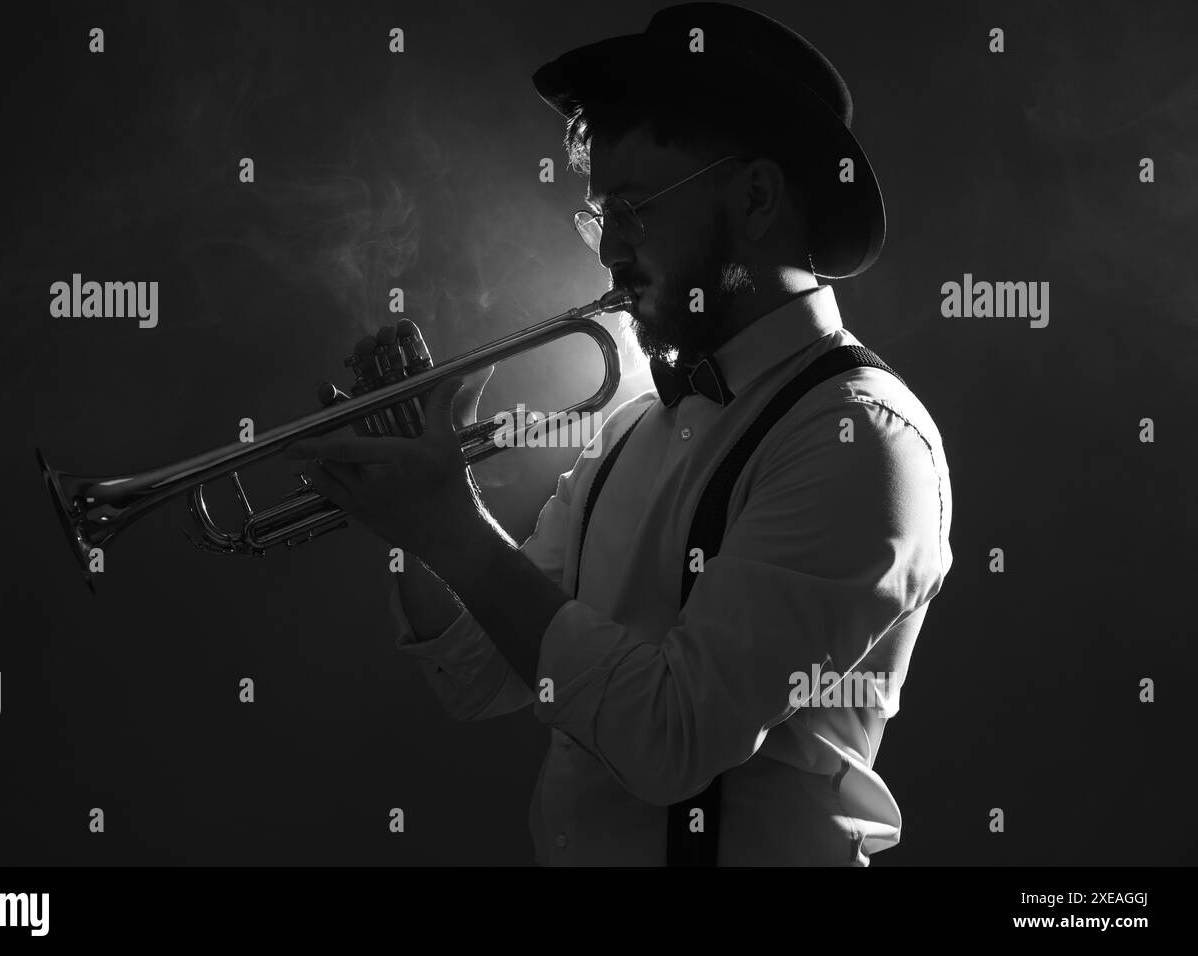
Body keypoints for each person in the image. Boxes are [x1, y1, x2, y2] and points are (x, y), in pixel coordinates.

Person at [287, 3, 954, 866]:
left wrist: (449, 522)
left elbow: (670, 740)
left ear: (754, 197)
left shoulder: (862, 438)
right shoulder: (637, 422)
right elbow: (476, 672)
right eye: (600, 217)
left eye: (636, 210)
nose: (611, 253)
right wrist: (424, 518)